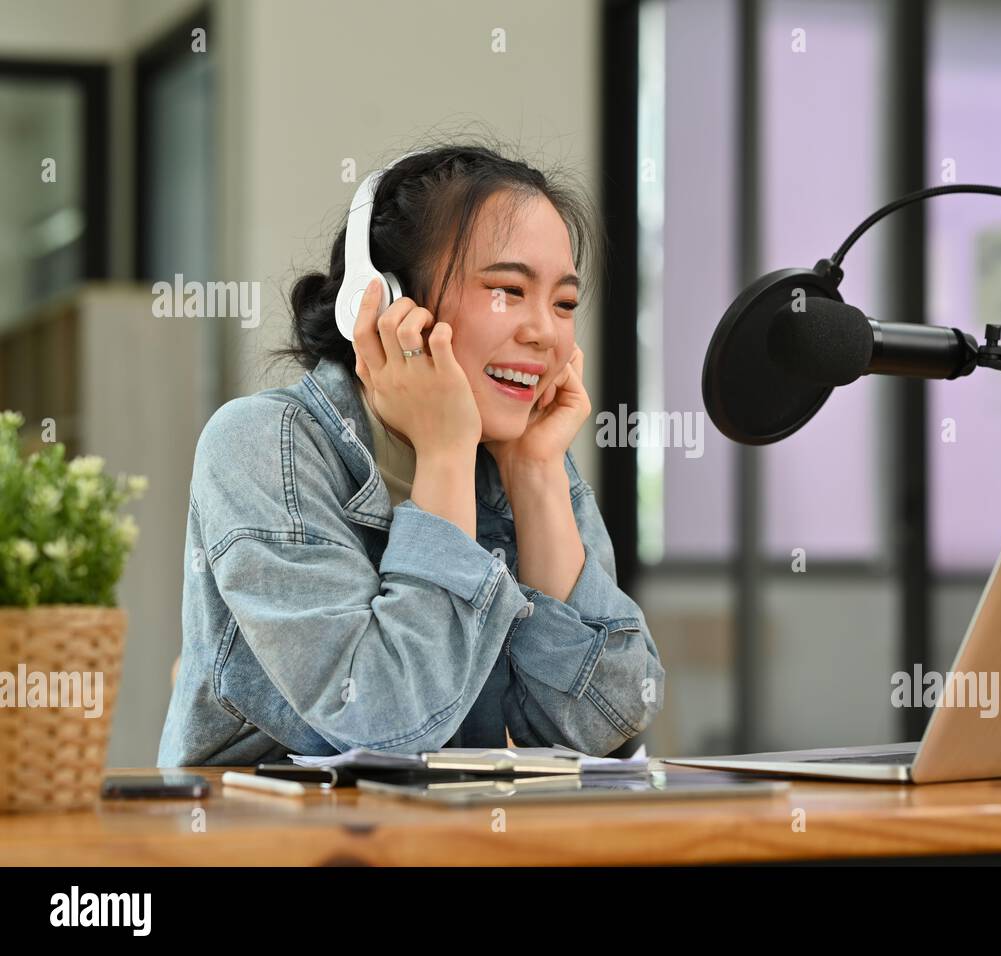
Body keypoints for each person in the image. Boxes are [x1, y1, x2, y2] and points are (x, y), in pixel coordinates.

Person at [158, 143, 665, 766]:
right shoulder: (267, 445)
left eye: (563, 303)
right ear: (385, 299)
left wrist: (533, 476)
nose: (546, 333)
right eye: (508, 290)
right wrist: (446, 454)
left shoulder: (520, 456)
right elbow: (385, 721)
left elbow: (603, 721)